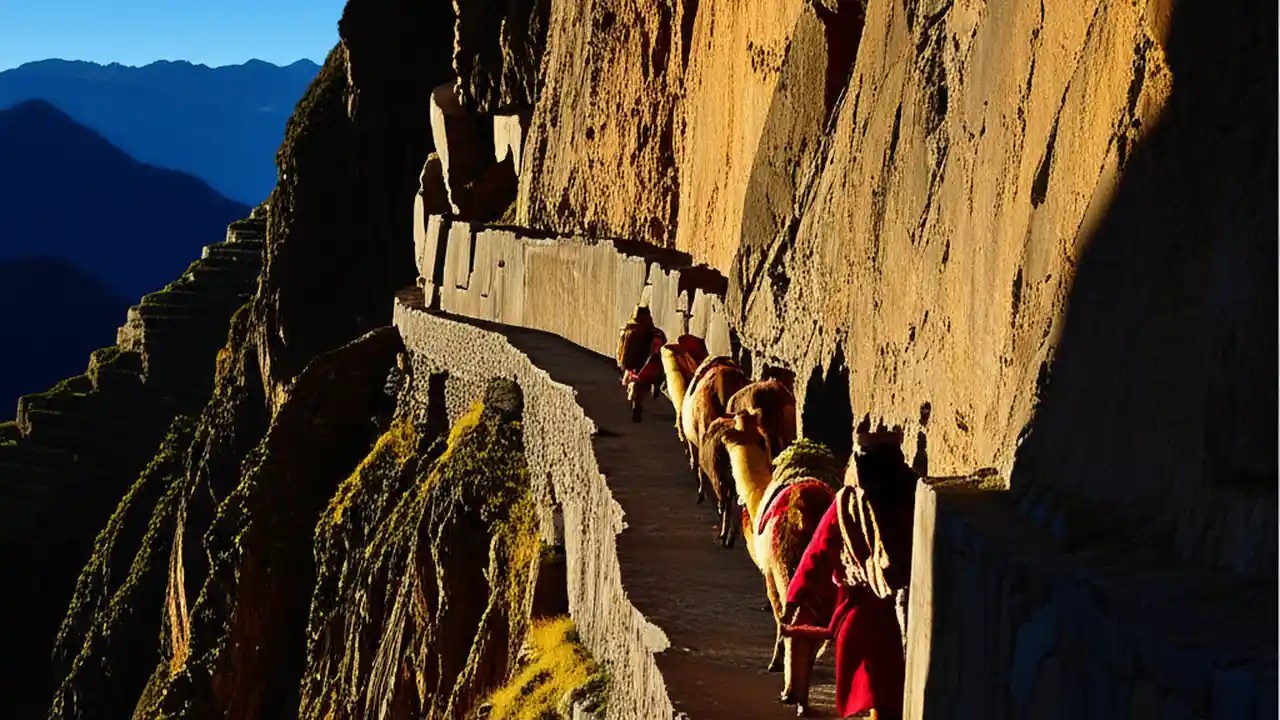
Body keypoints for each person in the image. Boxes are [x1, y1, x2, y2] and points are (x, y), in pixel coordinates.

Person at [781, 429, 918, 719]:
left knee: (874, 691)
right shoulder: (912, 493)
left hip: (863, 614)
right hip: (910, 606)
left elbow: (816, 553)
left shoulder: (846, 504)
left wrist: (795, 600)